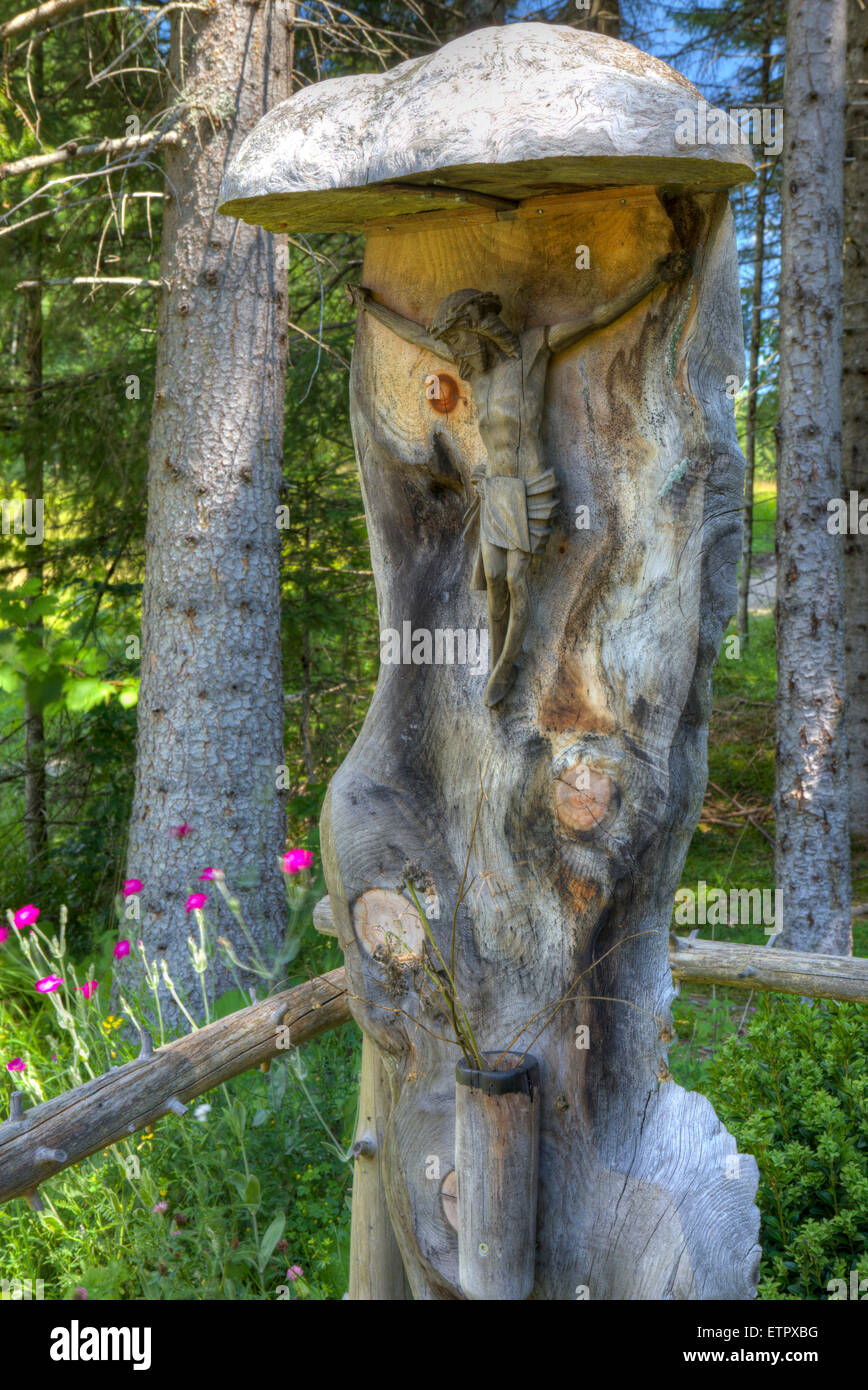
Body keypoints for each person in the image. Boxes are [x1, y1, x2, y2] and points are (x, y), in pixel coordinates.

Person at [346, 251, 691, 707]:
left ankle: (509, 663)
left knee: (518, 580)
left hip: (529, 486)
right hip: (495, 487)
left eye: (461, 341)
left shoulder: (533, 350)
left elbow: (600, 317)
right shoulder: (479, 373)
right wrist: (369, 307)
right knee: (493, 581)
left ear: (479, 330)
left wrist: (655, 279)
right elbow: (416, 336)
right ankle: (494, 658)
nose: (457, 354)